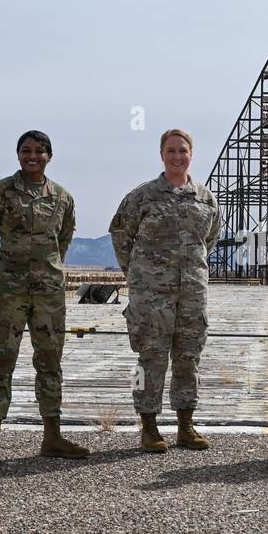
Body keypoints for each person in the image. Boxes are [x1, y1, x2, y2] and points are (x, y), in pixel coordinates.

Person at [0, 130, 87, 466]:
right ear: (17, 154)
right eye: (25, 150)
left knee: (50, 363)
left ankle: (52, 436)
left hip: (48, 291)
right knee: (0, 363)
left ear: (49, 155)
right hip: (8, 290)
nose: (32, 156)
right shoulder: (0, 192)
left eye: (39, 151)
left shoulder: (62, 197)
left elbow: (62, 239)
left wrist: (47, 267)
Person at [109, 128, 220, 452]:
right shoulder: (143, 196)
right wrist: (137, 273)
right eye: (171, 151)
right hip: (151, 294)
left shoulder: (205, 198)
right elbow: (120, 233)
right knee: (150, 358)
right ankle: (149, 427)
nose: (177, 156)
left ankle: (186, 426)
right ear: (162, 155)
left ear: (191, 154)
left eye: (182, 151)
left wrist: (191, 270)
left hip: (191, 294)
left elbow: (209, 239)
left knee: (188, 358)